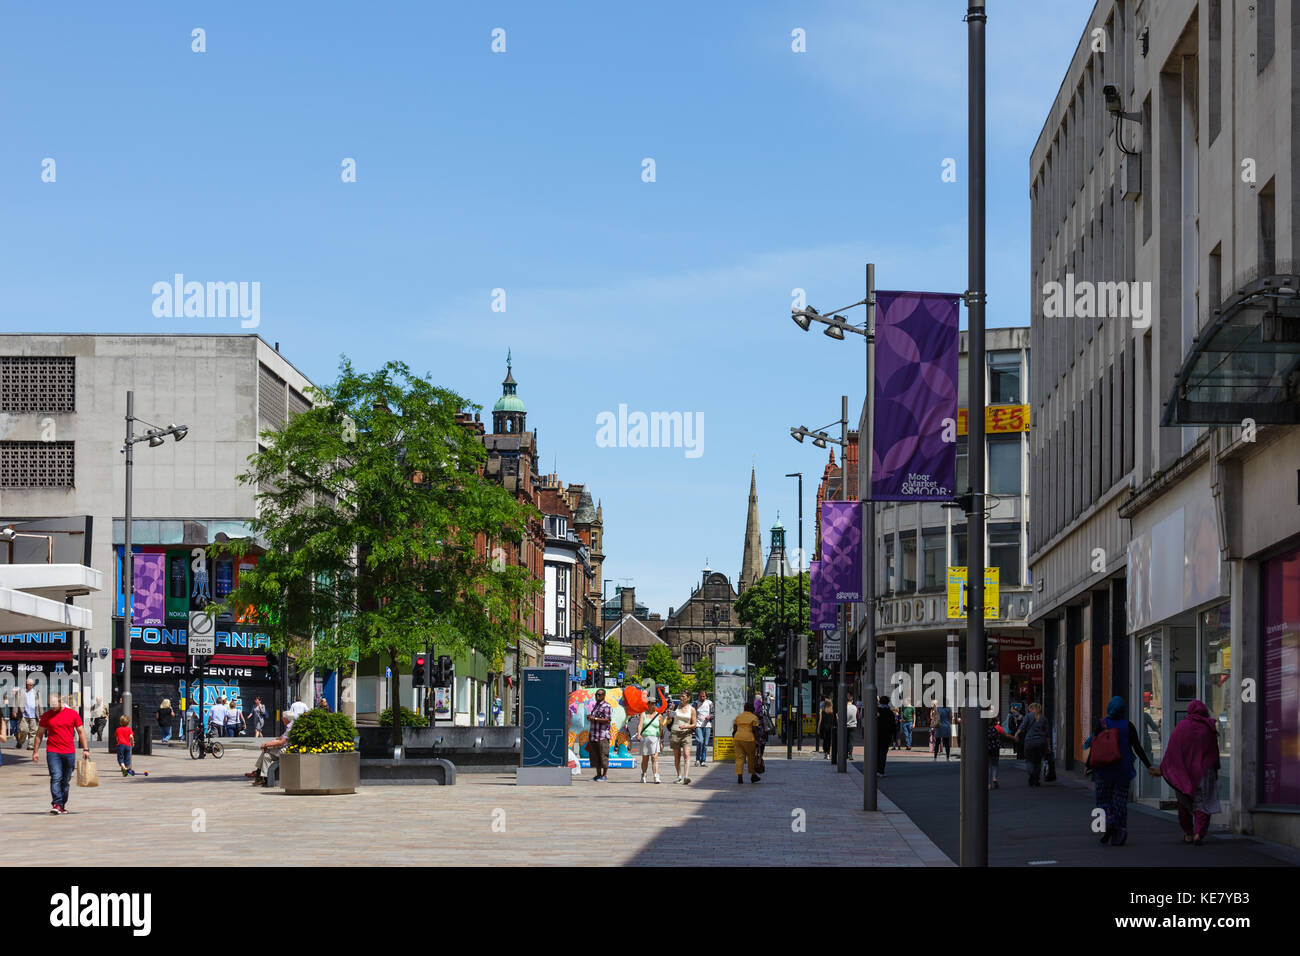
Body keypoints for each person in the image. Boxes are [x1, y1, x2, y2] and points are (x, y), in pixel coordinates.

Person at [1085, 695, 1158, 847]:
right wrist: (1148, 765)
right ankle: (1119, 832)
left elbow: (1095, 745)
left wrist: (1088, 764)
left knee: (1103, 798)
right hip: (1123, 769)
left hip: (1103, 770)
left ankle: (1107, 822)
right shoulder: (1128, 725)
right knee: (1120, 801)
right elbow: (1137, 747)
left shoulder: (1102, 723)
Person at [1152, 699, 1221, 845]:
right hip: (1204, 772)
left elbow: (1173, 750)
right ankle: (1199, 833)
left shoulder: (1182, 726)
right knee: (1203, 802)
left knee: (1184, 802)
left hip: (1185, 772)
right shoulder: (1208, 727)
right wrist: (1215, 770)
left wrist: (1164, 769)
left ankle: (1188, 833)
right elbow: (1214, 752)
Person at [30, 693, 91, 814]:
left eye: (54, 705)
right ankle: (57, 803)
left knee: (65, 780)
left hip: (69, 752)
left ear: (60, 702)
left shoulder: (73, 714)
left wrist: (85, 749)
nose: (52, 707)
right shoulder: (47, 715)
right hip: (53, 751)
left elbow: (81, 732)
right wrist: (35, 751)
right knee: (56, 777)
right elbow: (39, 734)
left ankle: (62, 805)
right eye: (50, 705)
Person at [246, 712, 295, 786]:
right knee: (266, 756)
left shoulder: (290, 728)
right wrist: (272, 742)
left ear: (286, 719)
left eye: (282, 718)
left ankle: (258, 772)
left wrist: (266, 745)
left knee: (266, 749)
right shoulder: (289, 726)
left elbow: (281, 742)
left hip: (286, 750)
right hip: (283, 748)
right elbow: (281, 738)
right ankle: (263, 778)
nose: (282, 719)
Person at [1017, 701, 1050, 786]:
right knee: (1038, 761)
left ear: (1032, 709)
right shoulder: (1044, 718)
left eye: (1029, 709)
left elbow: (1022, 727)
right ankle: (1036, 779)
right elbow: (1047, 734)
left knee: (1029, 760)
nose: (1029, 711)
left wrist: (1016, 734)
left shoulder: (1028, 716)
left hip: (1029, 742)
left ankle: (1031, 774)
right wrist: (1048, 746)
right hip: (1041, 742)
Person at [670, 692, 696, 784]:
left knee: (686, 754)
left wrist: (686, 727)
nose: (681, 698)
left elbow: (694, 724)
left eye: (683, 696)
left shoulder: (692, 709)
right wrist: (669, 714)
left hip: (686, 734)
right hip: (675, 733)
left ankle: (686, 776)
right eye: (681, 696)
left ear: (688, 698)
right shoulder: (675, 706)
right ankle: (679, 776)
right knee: (677, 756)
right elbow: (670, 720)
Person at [732, 701, 762, 784]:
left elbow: (734, 729)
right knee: (751, 757)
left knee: (739, 758)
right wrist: (758, 740)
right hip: (749, 739)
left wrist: (734, 737)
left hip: (738, 738)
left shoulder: (738, 717)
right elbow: (755, 730)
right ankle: (753, 775)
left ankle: (740, 776)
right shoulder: (754, 717)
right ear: (752, 708)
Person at [586, 689, 612, 781]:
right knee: (595, 755)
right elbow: (594, 717)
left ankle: (604, 775)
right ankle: (598, 775)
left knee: (603, 755)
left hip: (602, 735)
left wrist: (595, 718)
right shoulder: (596, 706)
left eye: (600, 695)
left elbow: (608, 720)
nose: (597, 696)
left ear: (604, 696)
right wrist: (590, 717)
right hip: (594, 734)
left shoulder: (607, 706)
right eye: (596, 695)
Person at [639, 700, 664, 784]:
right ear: (648, 705)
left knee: (654, 757)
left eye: (655, 704)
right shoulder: (643, 714)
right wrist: (639, 734)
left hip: (655, 738)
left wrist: (661, 741)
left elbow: (661, 729)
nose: (653, 705)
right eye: (651, 704)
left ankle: (656, 776)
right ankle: (644, 774)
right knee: (645, 758)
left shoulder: (659, 716)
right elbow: (640, 725)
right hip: (645, 737)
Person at [17, 677, 41, 751]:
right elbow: (16, 702)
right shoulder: (21, 691)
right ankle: (20, 742)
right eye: (29, 684)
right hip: (23, 714)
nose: (31, 686)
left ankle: (30, 746)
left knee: (33, 731)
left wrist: (41, 713)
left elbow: (40, 703)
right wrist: (14, 711)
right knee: (24, 730)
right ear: (26, 684)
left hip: (33, 715)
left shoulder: (36, 692)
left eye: (32, 684)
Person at [876, 696, 897, 775]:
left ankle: (876, 769)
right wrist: (894, 737)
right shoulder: (890, 712)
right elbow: (893, 725)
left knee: (876, 752)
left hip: (877, 734)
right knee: (883, 753)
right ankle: (881, 770)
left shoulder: (877, 711)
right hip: (887, 735)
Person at [693, 688, 713, 767]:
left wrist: (710, 716)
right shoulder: (695, 703)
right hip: (698, 725)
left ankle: (703, 760)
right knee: (700, 741)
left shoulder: (710, 703)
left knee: (705, 744)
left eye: (704, 696)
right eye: (701, 696)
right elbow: (692, 714)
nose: (702, 698)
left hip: (707, 725)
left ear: (706, 697)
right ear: (698, 696)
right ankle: (697, 759)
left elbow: (714, 713)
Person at [818, 697, 837, 763]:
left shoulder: (822, 712)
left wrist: (818, 728)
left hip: (824, 728)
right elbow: (836, 719)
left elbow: (820, 721)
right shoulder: (833, 712)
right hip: (830, 728)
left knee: (825, 740)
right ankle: (828, 753)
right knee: (829, 741)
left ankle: (825, 752)